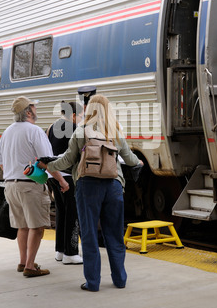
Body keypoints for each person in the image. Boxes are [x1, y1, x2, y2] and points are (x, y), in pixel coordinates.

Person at [38, 95, 143, 292]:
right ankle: (120, 279)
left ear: (90, 109)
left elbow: (67, 161)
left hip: (88, 187)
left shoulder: (81, 131)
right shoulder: (115, 131)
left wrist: (48, 164)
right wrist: (138, 163)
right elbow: (130, 159)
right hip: (113, 187)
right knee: (114, 234)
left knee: (88, 234)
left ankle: (93, 283)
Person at [0, 96, 69, 278]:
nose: (36, 110)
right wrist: (62, 181)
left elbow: (0, 163)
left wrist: (15, 172)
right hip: (30, 186)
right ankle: (30, 266)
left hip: (11, 186)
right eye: (34, 107)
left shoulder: (7, 132)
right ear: (28, 112)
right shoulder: (34, 131)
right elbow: (48, 162)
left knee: (22, 226)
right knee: (36, 227)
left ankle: (22, 262)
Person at [47, 101, 84, 264]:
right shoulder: (74, 129)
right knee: (73, 212)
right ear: (74, 115)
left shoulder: (50, 128)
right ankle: (71, 252)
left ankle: (60, 251)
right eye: (81, 116)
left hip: (52, 175)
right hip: (68, 176)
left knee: (61, 211)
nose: (81, 120)